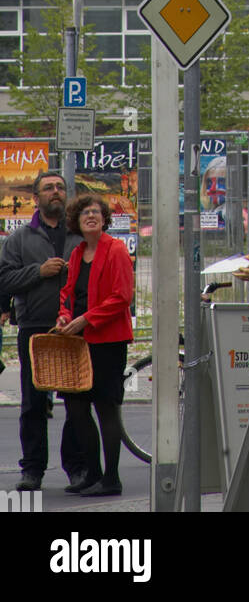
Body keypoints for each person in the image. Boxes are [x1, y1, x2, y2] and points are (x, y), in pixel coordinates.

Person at [0, 170, 88, 492]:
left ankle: (76, 467)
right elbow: (4, 280)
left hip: (74, 329)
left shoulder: (79, 236)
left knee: (77, 402)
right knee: (33, 402)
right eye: (49, 188)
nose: (56, 192)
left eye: (60, 188)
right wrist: (38, 272)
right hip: (35, 328)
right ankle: (33, 469)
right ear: (36, 198)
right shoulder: (20, 239)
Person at [55, 194, 135, 497]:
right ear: (76, 221)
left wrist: (86, 319)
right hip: (78, 340)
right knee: (76, 407)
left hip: (107, 341)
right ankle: (92, 472)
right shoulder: (77, 254)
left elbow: (121, 296)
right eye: (85, 212)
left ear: (104, 219)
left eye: (97, 212)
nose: (91, 215)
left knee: (105, 407)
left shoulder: (115, 250)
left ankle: (111, 478)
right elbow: (67, 292)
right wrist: (64, 316)